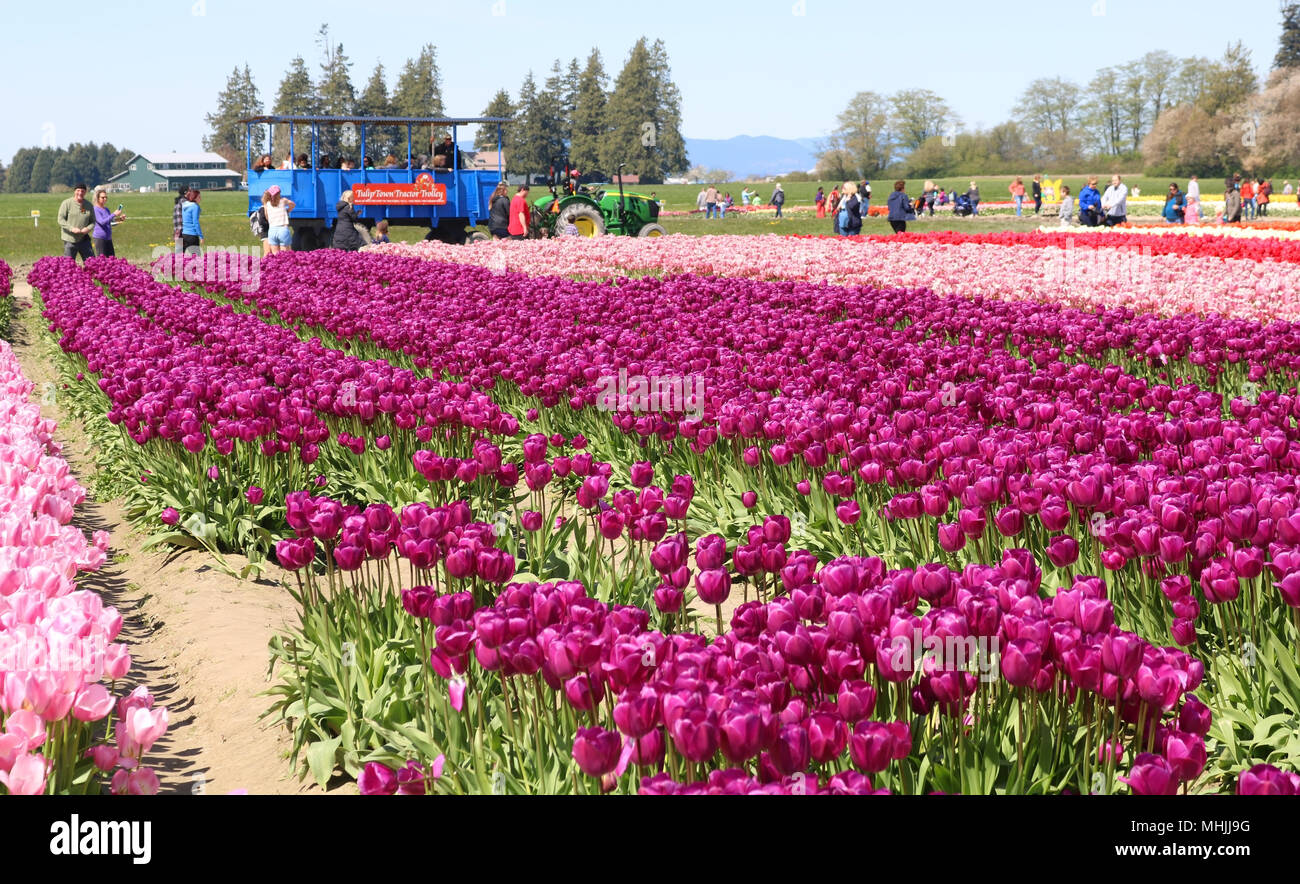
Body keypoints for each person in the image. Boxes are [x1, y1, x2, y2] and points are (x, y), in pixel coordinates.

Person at [56, 183, 95, 263]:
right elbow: (60, 219)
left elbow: (93, 221)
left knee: (91, 263)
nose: (80, 193)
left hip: (84, 239)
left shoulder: (89, 205)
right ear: (74, 191)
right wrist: (71, 228)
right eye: (78, 190)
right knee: (68, 265)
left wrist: (88, 228)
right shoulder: (66, 203)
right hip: (70, 240)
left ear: (85, 192)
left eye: (82, 191)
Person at [89, 187, 125, 258]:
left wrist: (120, 219)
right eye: (102, 197)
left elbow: (110, 221)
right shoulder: (95, 210)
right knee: (102, 261)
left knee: (112, 259)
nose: (105, 199)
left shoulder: (106, 209)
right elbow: (102, 222)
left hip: (108, 238)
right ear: (97, 198)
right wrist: (114, 214)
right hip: (100, 238)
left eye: (106, 197)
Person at [263, 185, 295, 254]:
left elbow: (267, 217)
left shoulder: (267, 204)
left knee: (275, 256)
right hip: (283, 229)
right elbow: (293, 204)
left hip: (272, 230)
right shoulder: (283, 201)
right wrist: (288, 210)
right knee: (286, 255)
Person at [180, 188, 203, 254]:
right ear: (194, 198)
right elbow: (195, 222)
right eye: (199, 197)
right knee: (196, 259)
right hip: (192, 235)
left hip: (183, 234)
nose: (200, 198)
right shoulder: (195, 206)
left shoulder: (184, 205)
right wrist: (201, 236)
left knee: (180, 258)